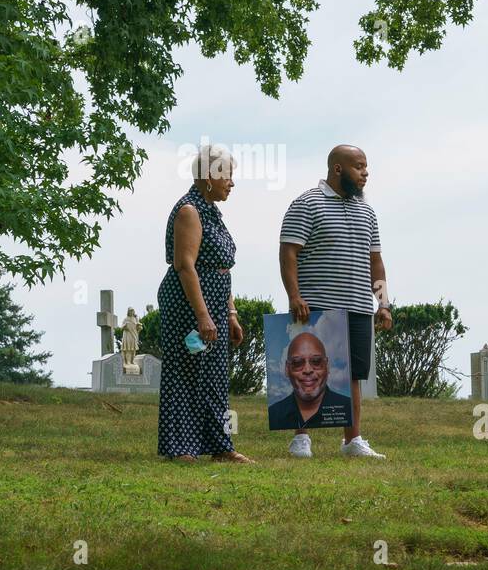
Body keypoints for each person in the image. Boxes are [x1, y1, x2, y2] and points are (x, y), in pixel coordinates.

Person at [279, 144, 392, 458]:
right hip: (316, 305)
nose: (365, 173)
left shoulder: (367, 211)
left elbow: (376, 261)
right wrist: (295, 296)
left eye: (366, 167)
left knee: (353, 374)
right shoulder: (307, 203)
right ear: (338, 168)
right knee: (305, 371)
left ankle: (352, 441)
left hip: (357, 305)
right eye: (359, 166)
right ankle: (301, 438)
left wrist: (383, 303)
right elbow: (288, 252)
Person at [157, 143, 255, 463]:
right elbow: (186, 266)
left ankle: (221, 447)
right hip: (188, 301)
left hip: (214, 300)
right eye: (228, 175)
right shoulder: (190, 210)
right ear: (210, 176)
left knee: (214, 377)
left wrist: (230, 313)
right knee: (186, 372)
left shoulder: (212, 211)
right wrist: (202, 315)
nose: (232, 182)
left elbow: (220, 268)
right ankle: (180, 448)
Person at [267, 331, 353, 429]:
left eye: (316, 361)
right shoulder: (275, 414)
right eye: (297, 362)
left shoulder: (347, 408)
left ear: (327, 366)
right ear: (287, 369)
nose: (308, 370)